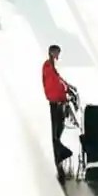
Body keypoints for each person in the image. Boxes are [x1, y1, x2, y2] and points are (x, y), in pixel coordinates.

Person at [41, 44, 73, 180]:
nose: (58, 56)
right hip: (55, 104)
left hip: (58, 102)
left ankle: (60, 158)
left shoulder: (52, 68)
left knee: (58, 131)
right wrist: (64, 95)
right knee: (56, 134)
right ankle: (60, 159)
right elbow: (54, 84)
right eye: (56, 53)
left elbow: (59, 81)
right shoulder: (48, 67)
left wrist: (68, 88)